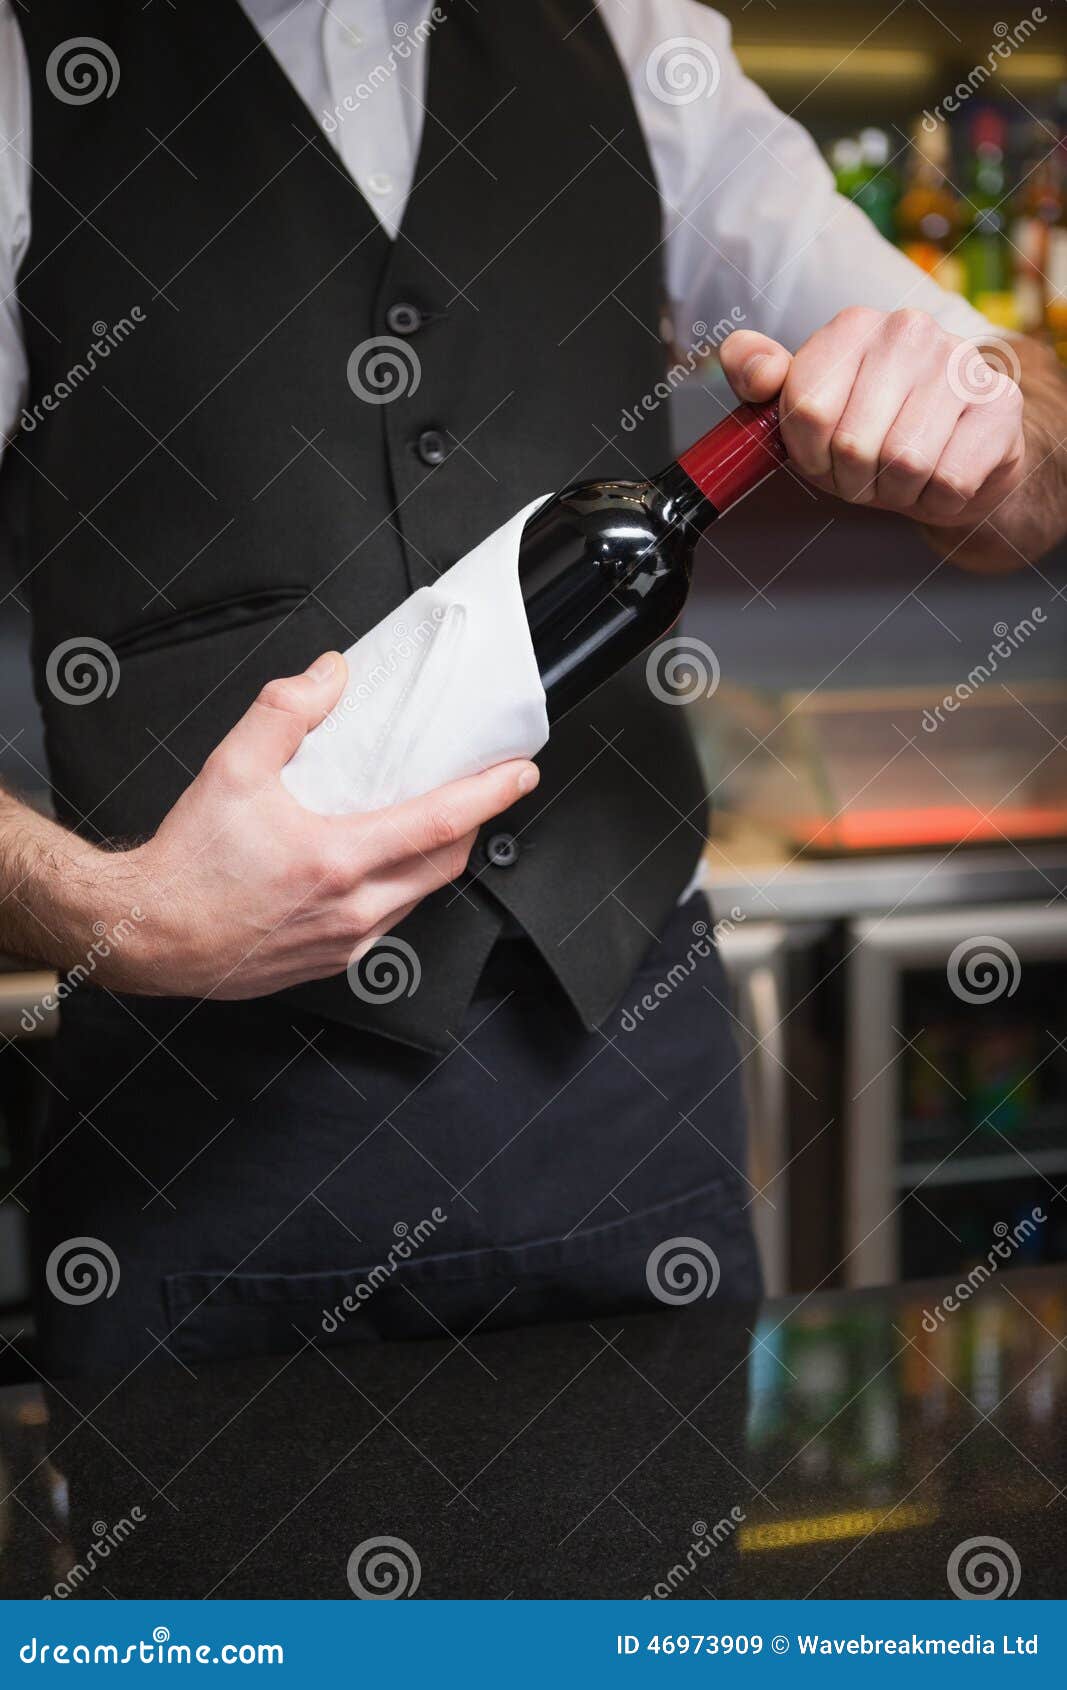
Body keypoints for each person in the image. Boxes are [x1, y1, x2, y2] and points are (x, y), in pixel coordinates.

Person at [1, 0, 1064, 1374]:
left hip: (625, 1091)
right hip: (204, 1141)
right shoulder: (34, 59)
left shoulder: (630, 39)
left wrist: (980, 420)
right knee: (209, 1591)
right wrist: (109, 912)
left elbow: (1029, 467)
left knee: (645, 1581)